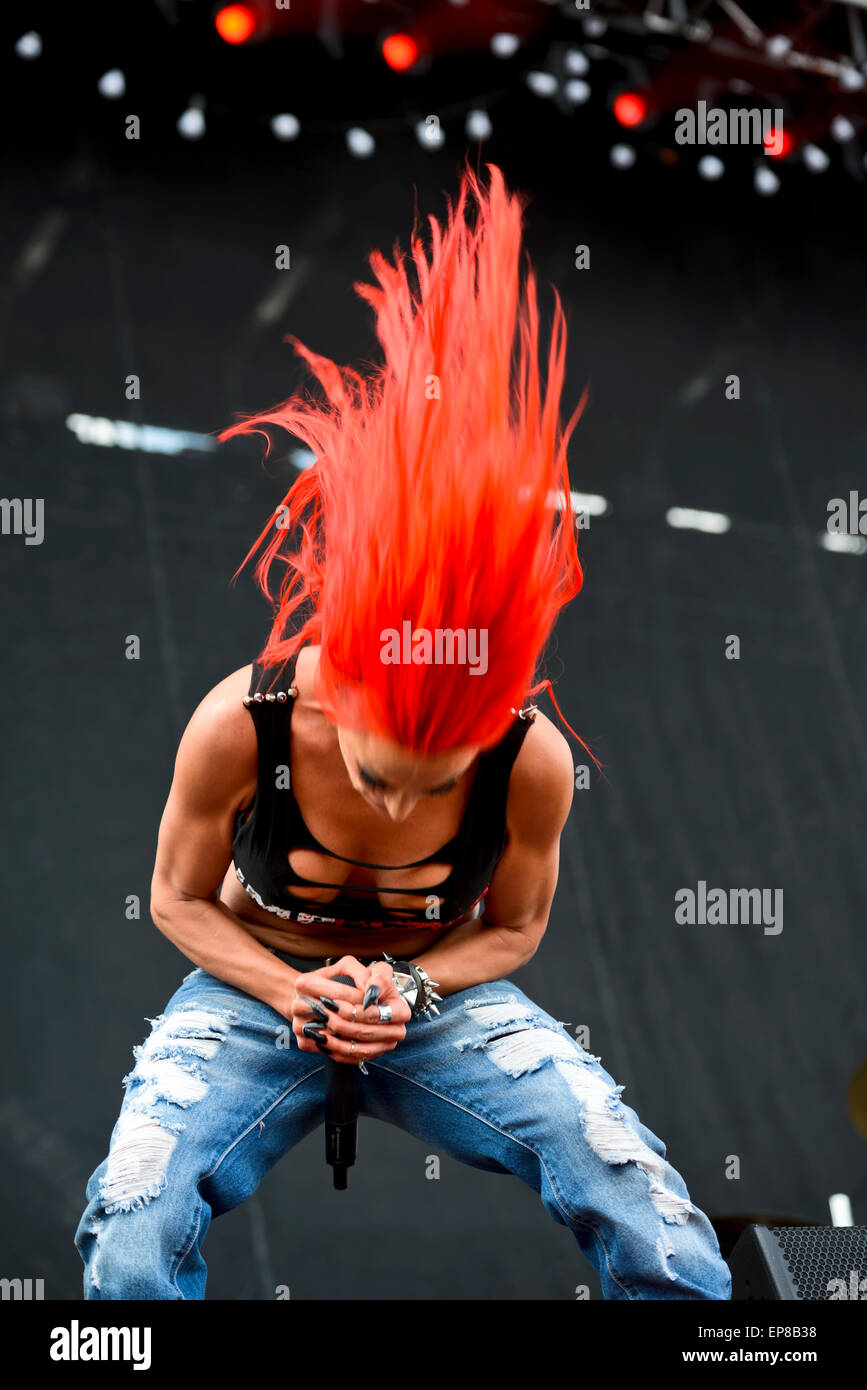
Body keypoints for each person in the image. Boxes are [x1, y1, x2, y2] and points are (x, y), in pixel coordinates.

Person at [74, 160, 731, 1301]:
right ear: (346, 691)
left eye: (430, 781)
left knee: (643, 1204)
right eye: (379, 774)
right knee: (132, 1230)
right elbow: (177, 900)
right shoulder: (245, 720)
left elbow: (515, 926)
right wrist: (293, 992)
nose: (390, 806)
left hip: (439, 1001)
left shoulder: (528, 761)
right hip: (253, 987)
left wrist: (414, 992)